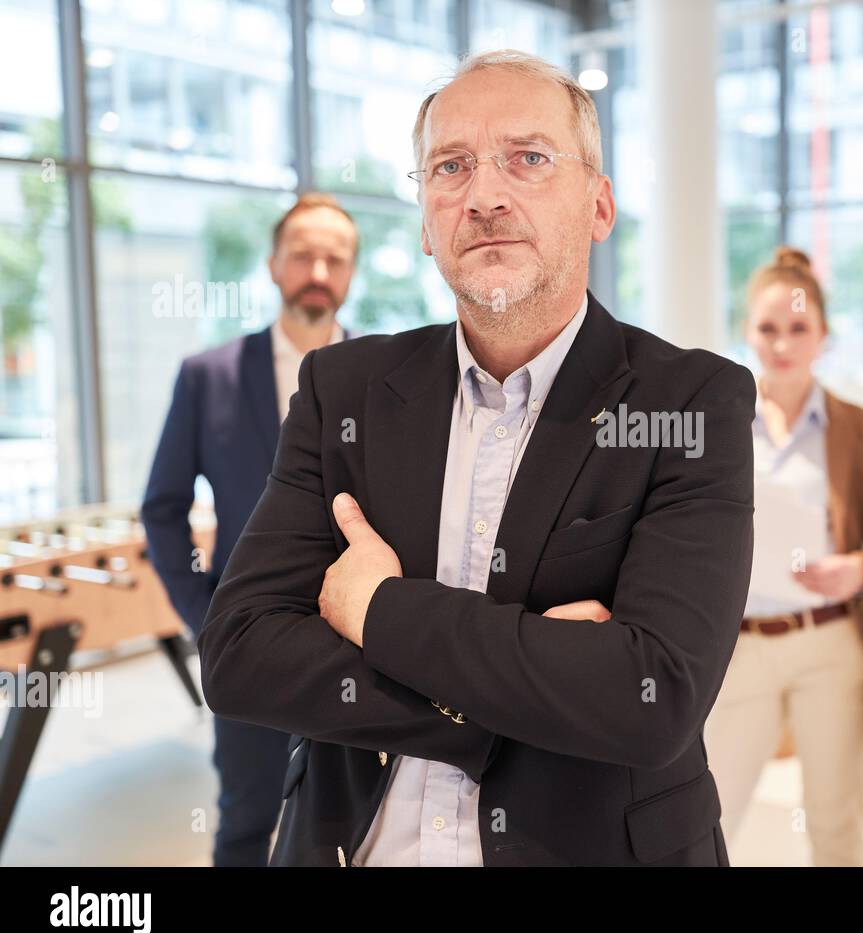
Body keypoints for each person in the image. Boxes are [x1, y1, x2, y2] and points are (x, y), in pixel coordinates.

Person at [197, 50, 756, 867]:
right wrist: (537, 685)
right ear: (426, 220)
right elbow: (241, 655)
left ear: (599, 204)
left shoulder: (687, 402)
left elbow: (653, 699)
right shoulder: (343, 389)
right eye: (451, 167)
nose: (485, 196)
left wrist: (377, 611)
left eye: (528, 159)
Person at [141, 193, 358, 866]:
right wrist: (205, 619)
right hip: (247, 643)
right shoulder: (208, 378)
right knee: (246, 825)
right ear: (272, 265)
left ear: (350, 273)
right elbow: (163, 505)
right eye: (302, 254)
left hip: (361, 648)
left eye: (335, 257)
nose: (317, 269)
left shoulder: (384, 377)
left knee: (355, 824)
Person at [704, 247, 863, 866]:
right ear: (747, 332)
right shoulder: (715, 423)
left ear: (824, 336)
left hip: (830, 644)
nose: (782, 344)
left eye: (798, 328)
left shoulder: (860, 429)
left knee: (837, 818)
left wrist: (862, 570)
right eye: (767, 328)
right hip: (739, 644)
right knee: (710, 812)